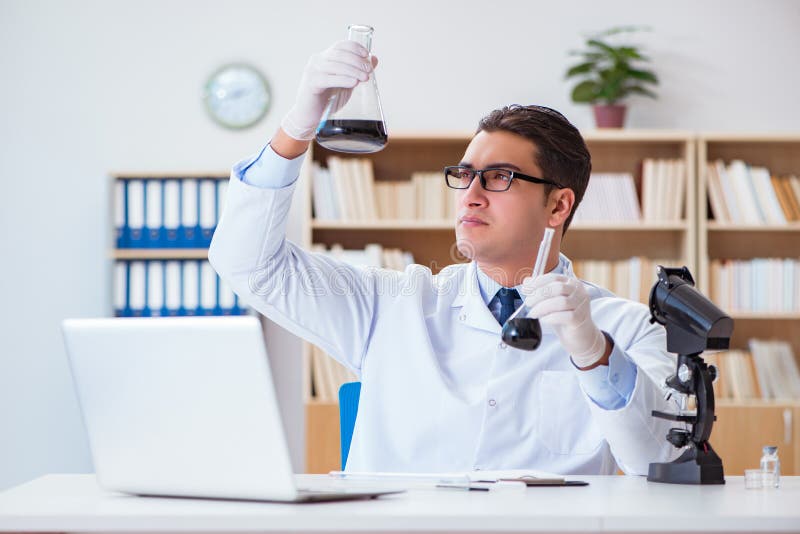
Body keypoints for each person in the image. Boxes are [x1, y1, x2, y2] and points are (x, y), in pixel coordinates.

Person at [209, 40, 681, 475]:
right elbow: (247, 262)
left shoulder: (627, 328)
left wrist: (594, 354)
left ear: (558, 205)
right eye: (464, 175)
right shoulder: (390, 303)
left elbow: (657, 461)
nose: (470, 195)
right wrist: (297, 126)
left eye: (499, 178)